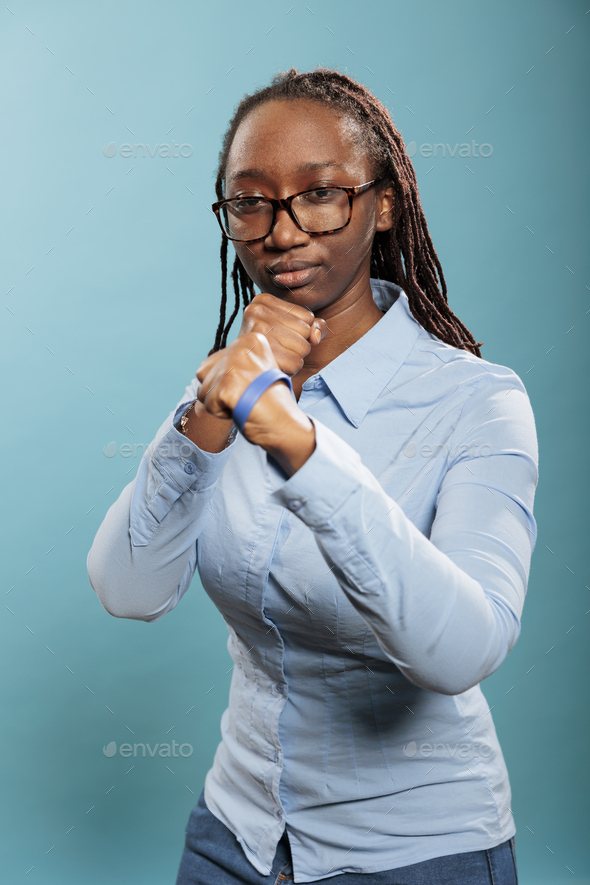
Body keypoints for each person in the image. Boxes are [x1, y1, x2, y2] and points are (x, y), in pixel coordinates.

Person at [87, 67, 537, 885]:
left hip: (415, 853)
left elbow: (463, 649)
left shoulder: (479, 402)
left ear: (383, 204)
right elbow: (129, 588)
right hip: (235, 836)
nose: (282, 230)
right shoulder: (226, 383)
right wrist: (209, 415)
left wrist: (299, 445)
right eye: (251, 201)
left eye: (320, 193)